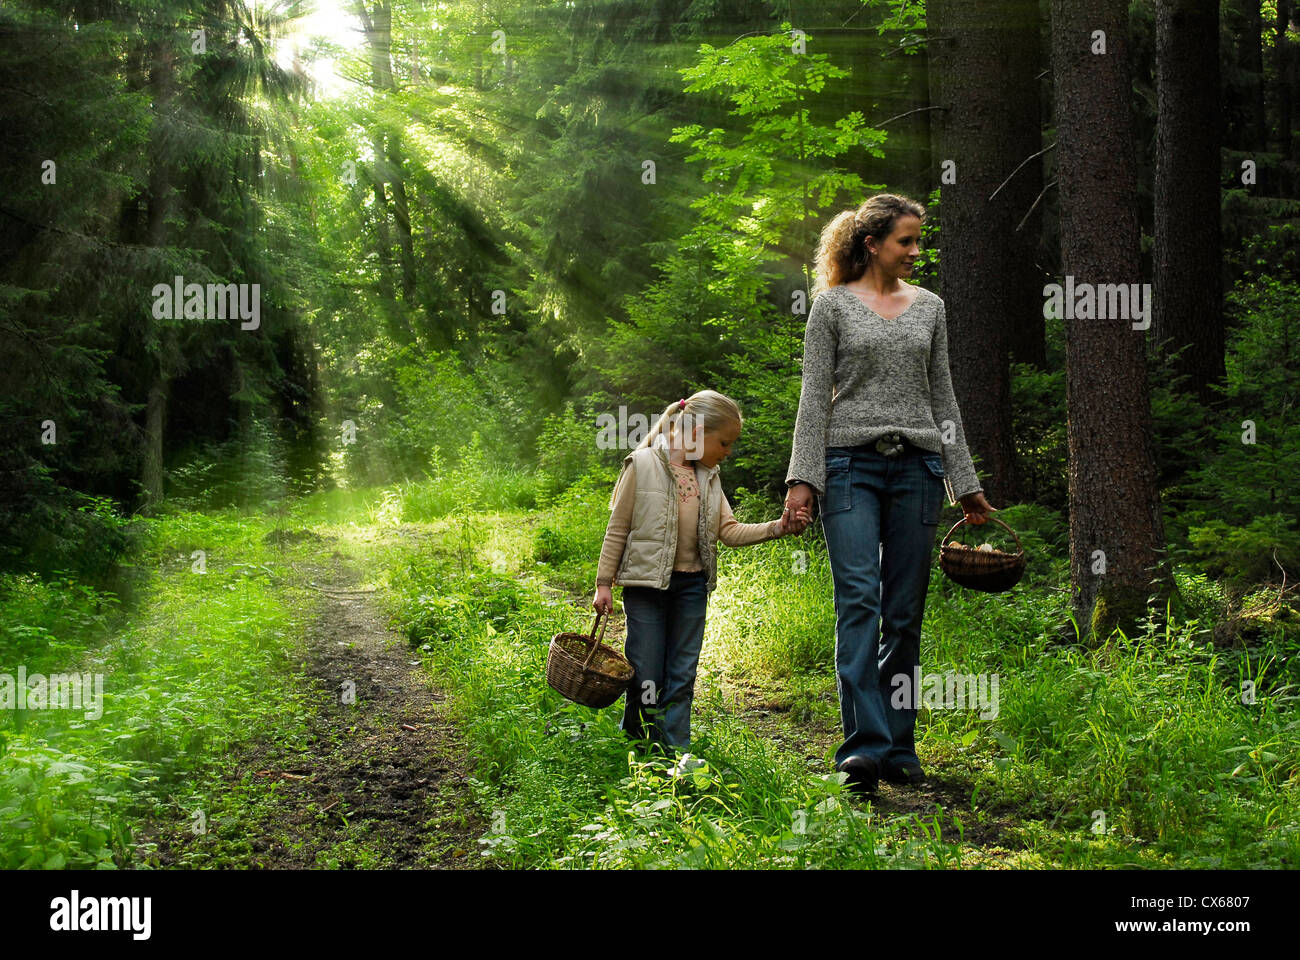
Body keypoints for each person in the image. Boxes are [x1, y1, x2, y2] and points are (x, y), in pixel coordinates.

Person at [783, 193, 998, 794]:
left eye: (917, 242)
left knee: (903, 614)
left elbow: (945, 399)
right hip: (849, 466)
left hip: (919, 471)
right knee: (859, 602)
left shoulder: (930, 308)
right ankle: (865, 748)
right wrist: (804, 480)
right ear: (871, 243)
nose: (914, 252)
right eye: (905, 241)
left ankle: (899, 745)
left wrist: (966, 482)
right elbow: (813, 399)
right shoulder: (829, 308)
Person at [592, 389, 812, 753]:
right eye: (724, 442)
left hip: (691, 586)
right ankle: (641, 742)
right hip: (646, 588)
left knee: (682, 672)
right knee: (647, 670)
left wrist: (778, 527)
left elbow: (729, 531)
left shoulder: (709, 477)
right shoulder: (642, 464)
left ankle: (676, 750)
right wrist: (603, 583)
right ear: (696, 431)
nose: (728, 451)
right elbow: (617, 528)